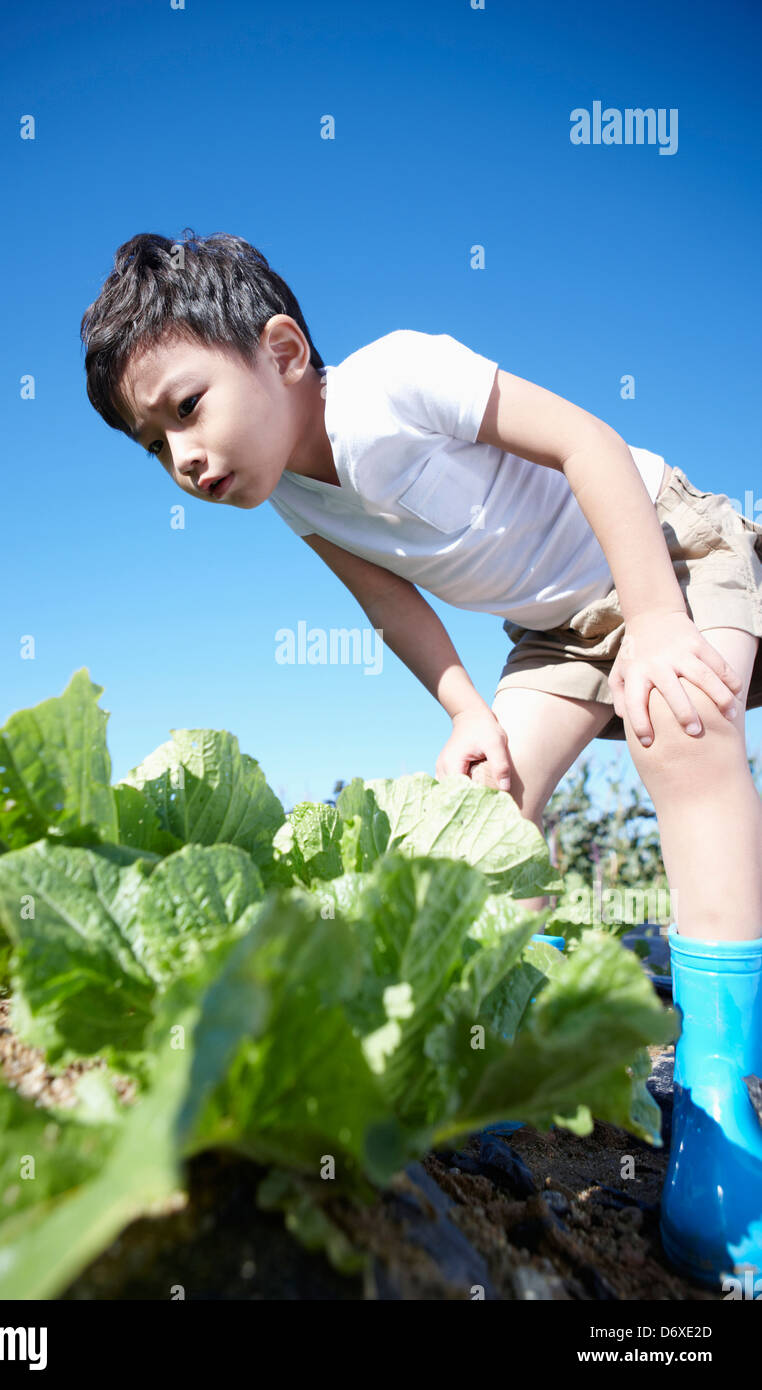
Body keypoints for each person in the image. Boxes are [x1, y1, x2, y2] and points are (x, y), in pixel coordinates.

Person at [81, 227, 762, 1287]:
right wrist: (463, 711)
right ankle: (485, 1055)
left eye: (186, 407)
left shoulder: (396, 379)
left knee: (681, 723)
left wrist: (654, 618)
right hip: (553, 632)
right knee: (483, 824)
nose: (183, 458)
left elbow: (584, 442)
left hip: (661, 549)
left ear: (283, 350)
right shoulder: (297, 498)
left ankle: (716, 1087)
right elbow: (388, 601)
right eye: (151, 443)